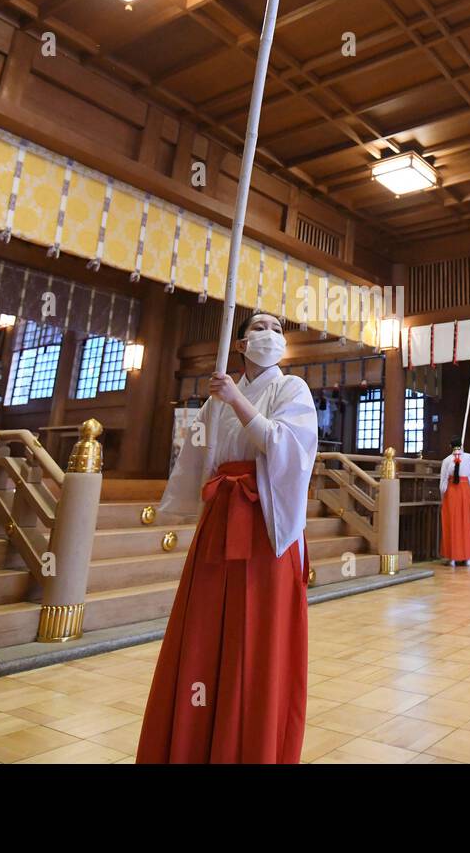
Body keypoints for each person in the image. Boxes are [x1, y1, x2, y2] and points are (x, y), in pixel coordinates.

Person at [137, 311, 317, 764]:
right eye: (258, 328)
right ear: (238, 345)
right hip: (222, 515)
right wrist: (221, 403)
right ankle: (196, 742)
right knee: (205, 629)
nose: (269, 335)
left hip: (266, 520)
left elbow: (287, 450)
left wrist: (237, 400)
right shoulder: (215, 400)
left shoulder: (291, 389)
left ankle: (252, 745)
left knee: (259, 634)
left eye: (277, 329)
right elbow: (196, 461)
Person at [439, 437, 470, 566]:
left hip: (451, 493)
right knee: (465, 522)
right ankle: (467, 557)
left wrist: (443, 496)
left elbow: (443, 482)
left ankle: (453, 558)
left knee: (452, 523)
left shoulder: (446, 460)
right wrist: (465, 485)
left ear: (451, 447)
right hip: (465, 490)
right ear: (461, 445)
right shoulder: (469, 457)